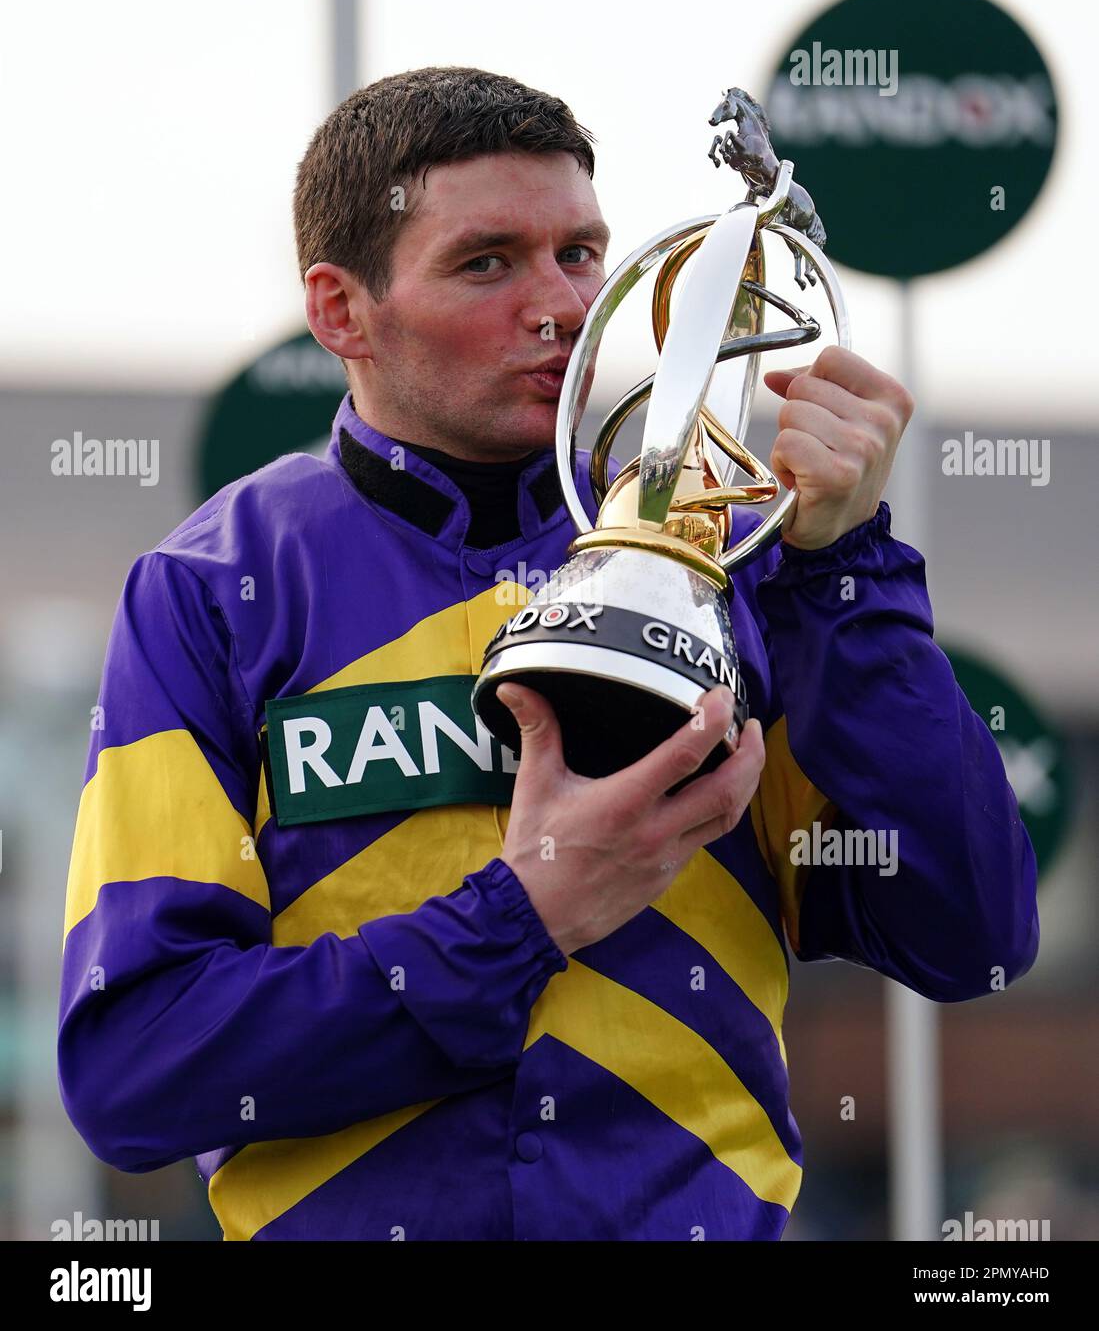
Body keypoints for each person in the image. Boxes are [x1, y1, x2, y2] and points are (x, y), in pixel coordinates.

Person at [58, 66, 1039, 1242]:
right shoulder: (211, 588)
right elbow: (135, 1067)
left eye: (581, 253)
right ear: (339, 311)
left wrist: (850, 563)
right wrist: (521, 919)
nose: (564, 305)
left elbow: (969, 931)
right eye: (487, 262)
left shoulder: (746, 549)